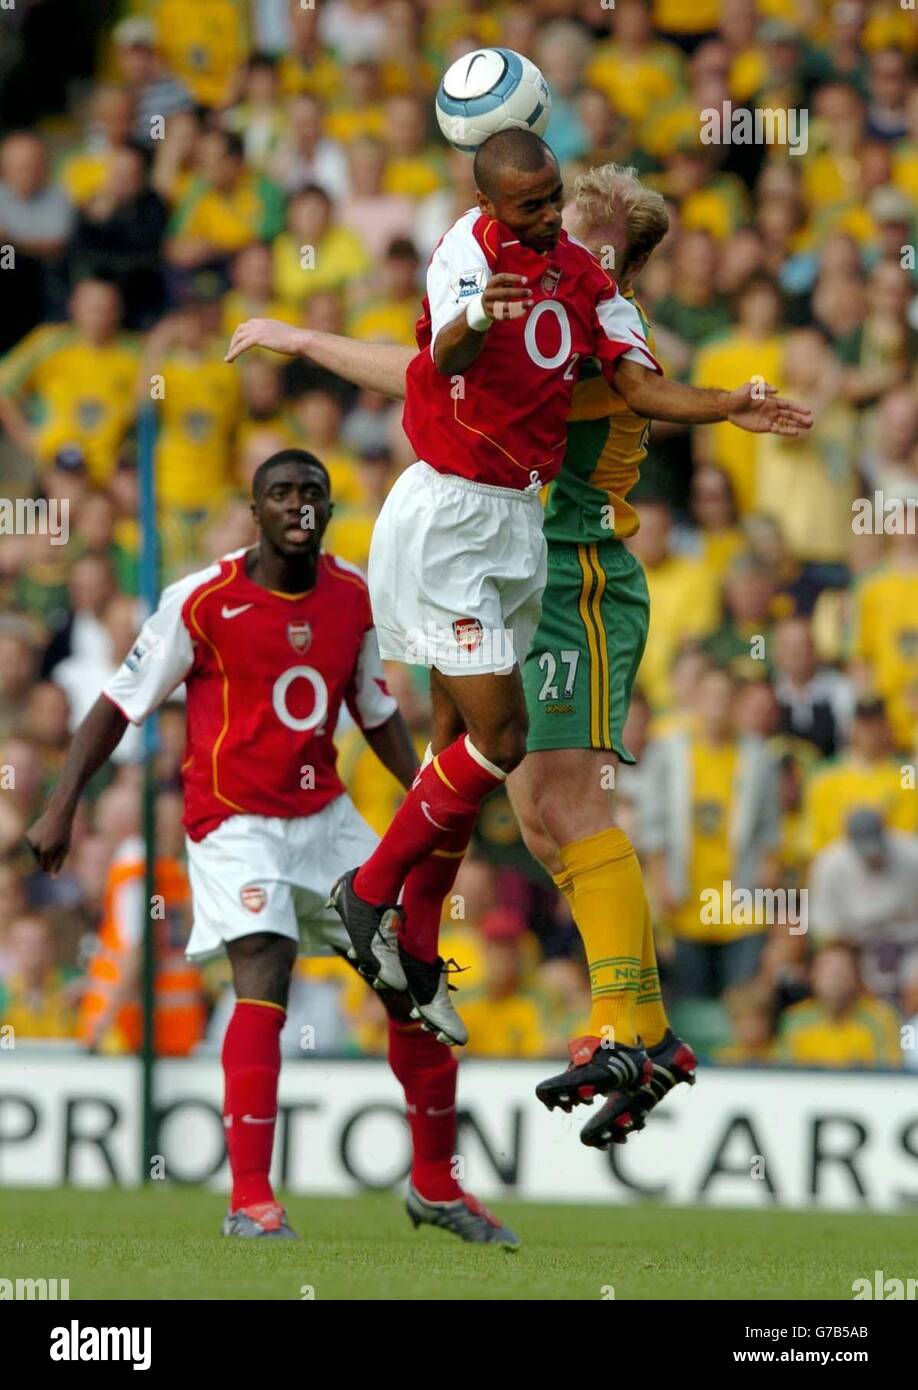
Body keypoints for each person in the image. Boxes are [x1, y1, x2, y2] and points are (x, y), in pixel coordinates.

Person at [227, 155, 813, 1145]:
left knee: (562, 800)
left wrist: (723, 403)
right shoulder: (546, 303)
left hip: (580, 572)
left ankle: (609, 1013)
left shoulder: (600, 326)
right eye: (563, 221)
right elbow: (437, 371)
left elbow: (543, 382)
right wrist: (303, 337)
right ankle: (640, 1028)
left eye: (589, 233)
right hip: (521, 564)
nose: (564, 241)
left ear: (618, 261)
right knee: (538, 816)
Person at [27, 449, 518, 1246]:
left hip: (323, 816)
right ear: (255, 511)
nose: (301, 506)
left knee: (408, 979)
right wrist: (62, 806)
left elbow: (375, 711)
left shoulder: (355, 596)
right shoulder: (202, 600)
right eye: (283, 494)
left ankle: (435, 1185)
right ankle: (251, 1201)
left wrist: (434, 807)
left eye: (313, 494)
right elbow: (121, 704)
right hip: (232, 819)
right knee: (264, 963)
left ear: (326, 509)